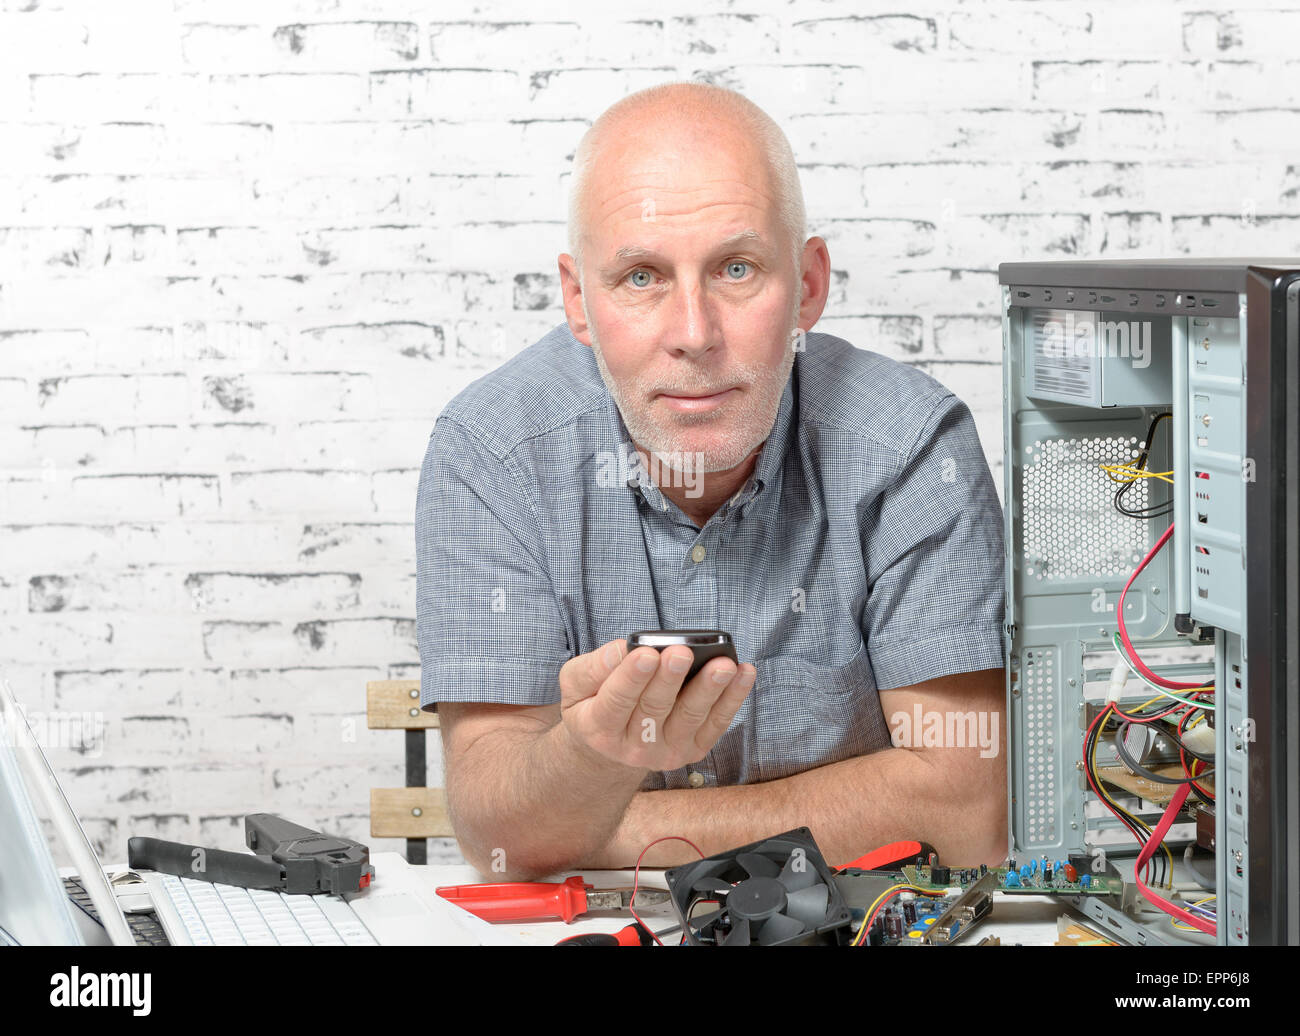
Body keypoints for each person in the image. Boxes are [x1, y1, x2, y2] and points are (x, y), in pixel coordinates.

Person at [416, 82, 1006, 880]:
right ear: (578, 300)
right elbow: (500, 834)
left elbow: (967, 814)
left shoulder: (910, 447)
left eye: (736, 268)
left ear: (807, 285)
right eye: (640, 277)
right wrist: (588, 754)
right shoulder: (493, 454)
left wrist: (586, 821)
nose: (694, 335)